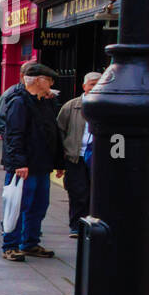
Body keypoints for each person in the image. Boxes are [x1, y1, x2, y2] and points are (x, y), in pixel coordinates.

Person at [0, 62, 64, 262]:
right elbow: (14, 134)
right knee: (17, 205)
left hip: (42, 165)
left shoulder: (46, 102)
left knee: (39, 206)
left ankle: (30, 243)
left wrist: (59, 162)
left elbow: (54, 132)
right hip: (24, 166)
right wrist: (19, 162)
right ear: (36, 80)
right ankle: (10, 245)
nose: (51, 83)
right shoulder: (19, 102)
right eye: (48, 79)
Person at [57, 71, 101, 238]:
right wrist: (60, 161)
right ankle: (76, 226)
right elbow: (59, 132)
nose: (95, 87)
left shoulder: (106, 107)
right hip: (76, 156)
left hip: (97, 158)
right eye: (92, 84)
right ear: (84, 86)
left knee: (95, 192)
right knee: (77, 192)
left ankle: (92, 225)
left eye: (98, 84)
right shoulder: (71, 106)